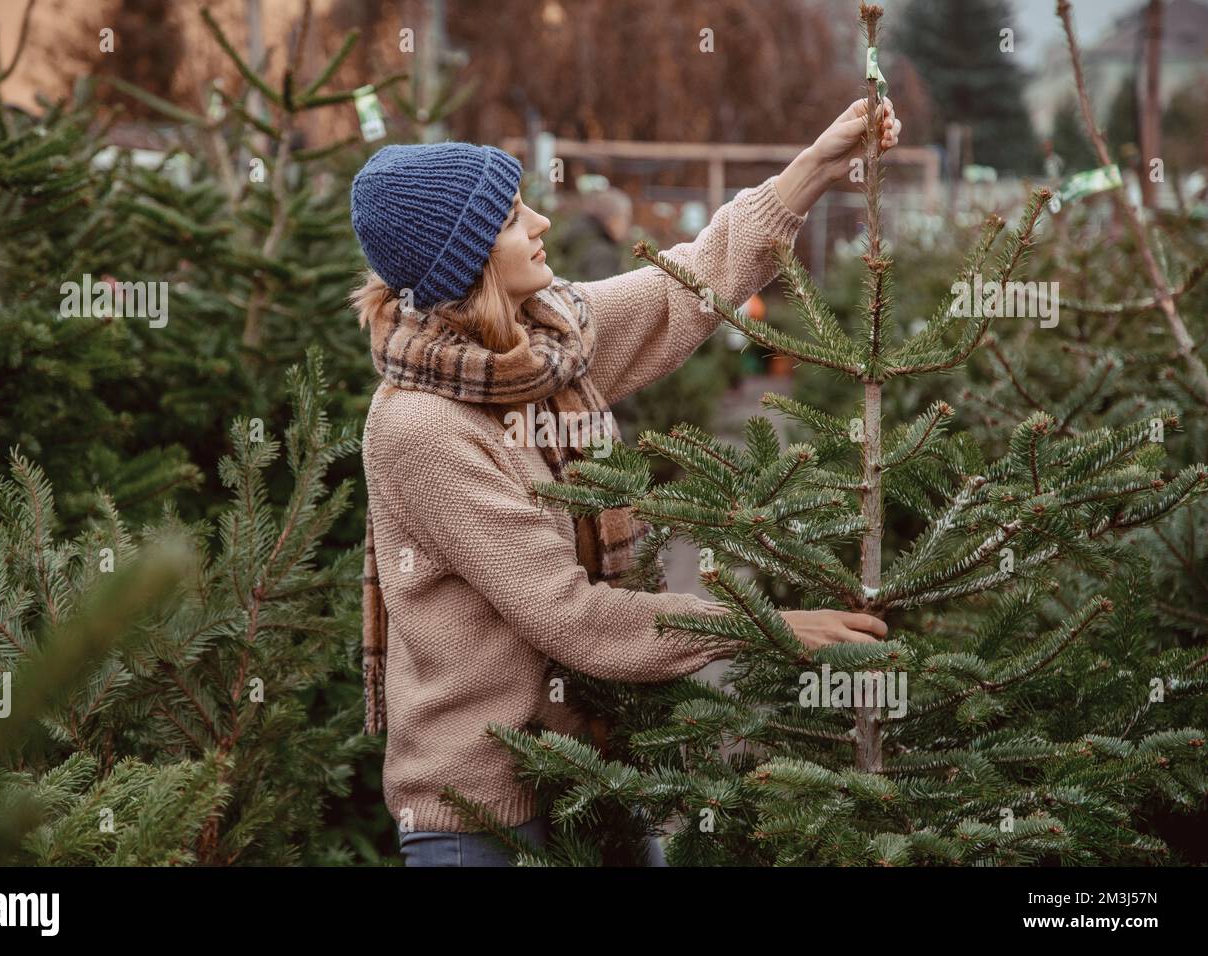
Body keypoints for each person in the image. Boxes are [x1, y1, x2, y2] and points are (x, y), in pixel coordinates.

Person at [348, 98, 902, 867]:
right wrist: (761, 627)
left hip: (597, 770)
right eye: (512, 218)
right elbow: (566, 615)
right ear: (465, 262)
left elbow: (689, 284)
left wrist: (819, 161)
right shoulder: (421, 427)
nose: (541, 222)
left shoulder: (545, 348)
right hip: (481, 817)